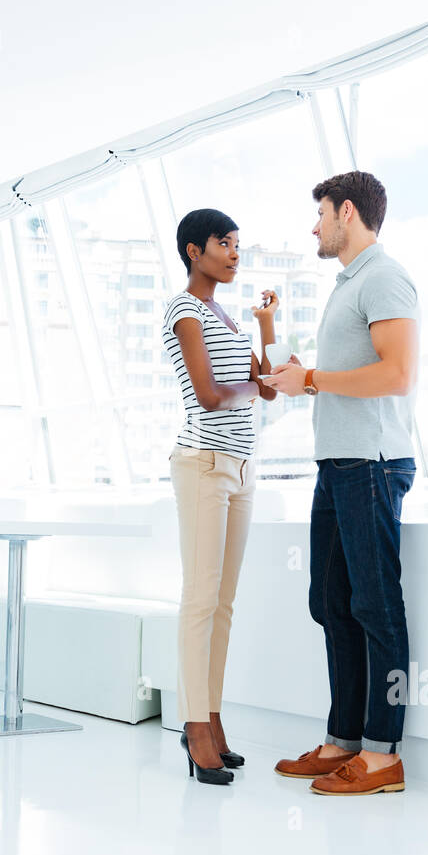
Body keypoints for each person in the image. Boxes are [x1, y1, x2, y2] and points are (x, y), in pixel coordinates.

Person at [264, 171, 420, 795]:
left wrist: (314, 380)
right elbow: (346, 374)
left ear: (346, 212)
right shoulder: (350, 285)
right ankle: (344, 741)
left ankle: (384, 757)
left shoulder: (384, 277)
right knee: (332, 604)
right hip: (338, 463)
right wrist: (303, 376)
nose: (314, 226)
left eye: (321, 213)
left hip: (373, 464)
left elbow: (398, 374)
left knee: (377, 608)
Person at [162, 208, 280, 785]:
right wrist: (253, 389)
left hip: (243, 468)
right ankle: (194, 727)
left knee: (225, 602)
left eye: (237, 244)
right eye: (223, 243)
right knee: (200, 598)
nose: (234, 253)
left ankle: (212, 715)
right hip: (203, 465)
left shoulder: (229, 317)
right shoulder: (184, 310)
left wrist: (265, 326)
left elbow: (270, 388)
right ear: (193, 250)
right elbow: (209, 395)